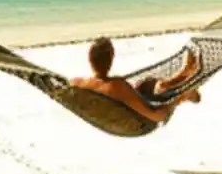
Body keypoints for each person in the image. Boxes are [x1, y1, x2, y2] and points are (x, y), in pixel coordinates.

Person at [69, 36, 202, 123]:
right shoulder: (116, 85)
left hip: (120, 110)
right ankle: (185, 90)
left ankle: (185, 73)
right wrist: (174, 103)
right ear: (111, 59)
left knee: (146, 84)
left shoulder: (77, 83)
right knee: (158, 87)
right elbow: (156, 116)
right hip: (139, 119)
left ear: (90, 59)